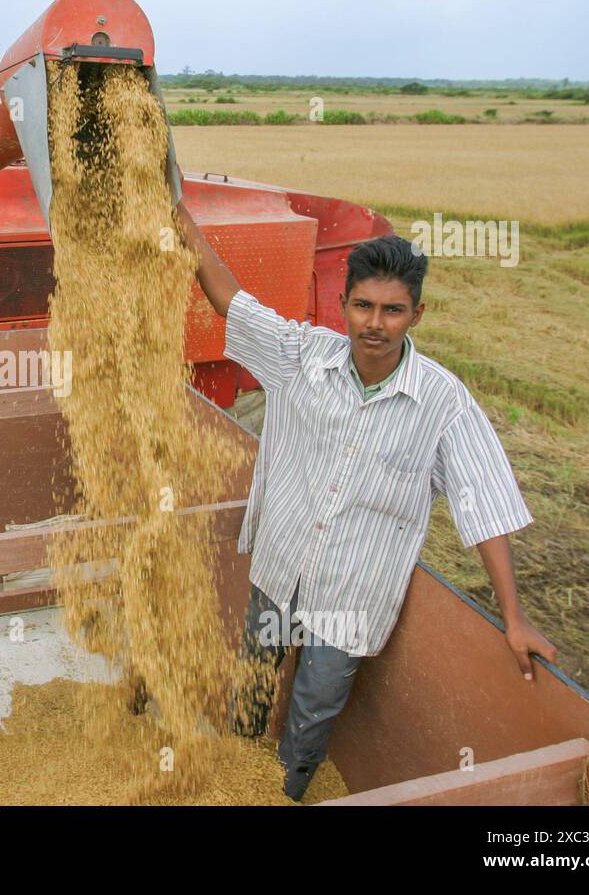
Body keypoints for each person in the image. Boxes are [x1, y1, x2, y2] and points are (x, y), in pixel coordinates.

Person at [183, 202, 557, 801]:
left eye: (392, 310)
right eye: (363, 305)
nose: (374, 323)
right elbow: (231, 299)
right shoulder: (302, 357)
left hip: (353, 592)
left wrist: (513, 618)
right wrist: (177, 206)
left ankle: (284, 792)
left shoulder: (442, 402)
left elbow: (482, 502)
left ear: (416, 314)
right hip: (282, 564)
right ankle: (234, 768)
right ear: (343, 305)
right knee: (253, 676)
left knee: (314, 706)